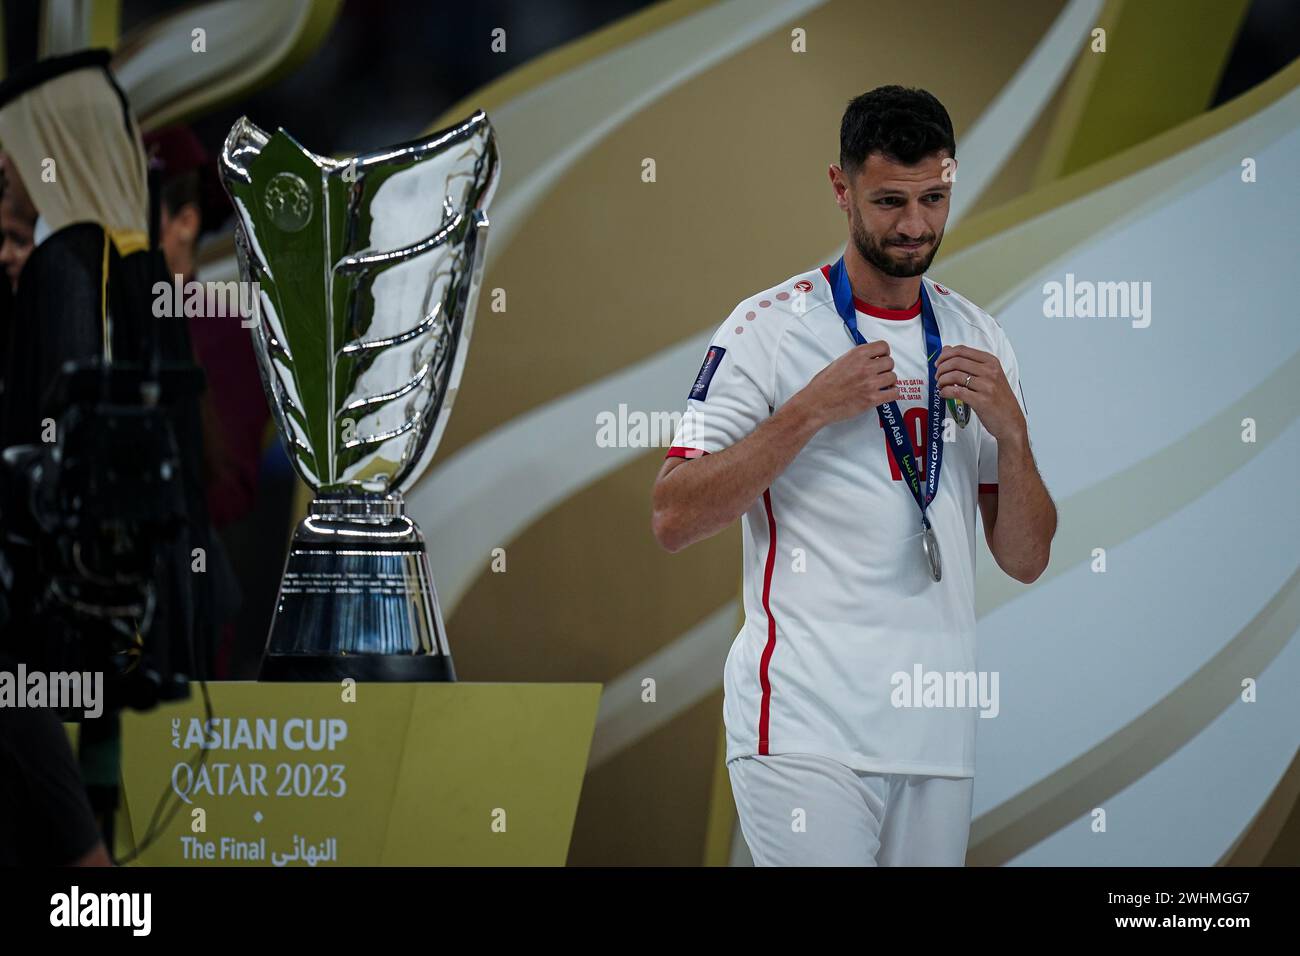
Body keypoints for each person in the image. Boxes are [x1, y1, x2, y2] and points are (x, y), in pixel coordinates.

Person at [650, 86, 1057, 866]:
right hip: (803, 726)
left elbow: (1027, 558)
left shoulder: (980, 338)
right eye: (890, 201)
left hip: (937, 736)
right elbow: (673, 516)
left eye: (934, 197)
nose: (915, 225)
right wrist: (804, 415)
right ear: (841, 189)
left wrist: (1015, 436)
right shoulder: (767, 329)